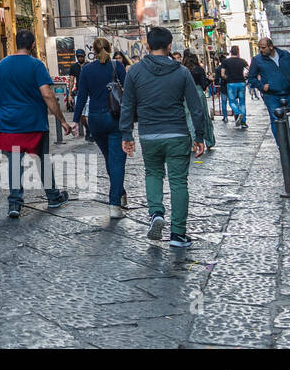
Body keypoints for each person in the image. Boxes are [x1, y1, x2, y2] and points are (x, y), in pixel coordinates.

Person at [119, 27, 208, 248]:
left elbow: (127, 105)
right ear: (169, 47)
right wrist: (200, 136)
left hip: (149, 134)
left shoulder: (135, 72)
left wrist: (126, 134)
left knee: (153, 173)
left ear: (147, 46)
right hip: (177, 133)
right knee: (178, 182)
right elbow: (196, 108)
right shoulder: (182, 72)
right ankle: (178, 234)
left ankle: (156, 213)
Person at [0, 29, 76, 219]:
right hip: (33, 123)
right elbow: (47, 94)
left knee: (14, 163)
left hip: (8, 123)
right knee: (42, 160)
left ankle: (15, 203)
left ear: (16, 44)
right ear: (32, 46)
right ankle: (53, 197)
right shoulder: (36, 65)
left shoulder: (3, 64)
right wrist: (62, 120)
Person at [73, 37, 128, 219]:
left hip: (95, 120)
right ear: (110, 49)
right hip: (115, 117)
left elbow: (81, 97)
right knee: (117, 160)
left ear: (93, 51)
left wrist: (75, 121)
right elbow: (128, 91)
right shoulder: (117, 66)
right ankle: (115, 203)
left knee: (109, 158)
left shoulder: (87, 70)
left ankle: (119, 192)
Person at [247, 36, 290, 150]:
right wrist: (262, 86)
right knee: (275, 120)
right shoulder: (257, 60)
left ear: (271, 46)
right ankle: (282, 147)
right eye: (259, 48)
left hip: (289, 93)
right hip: (271, 95)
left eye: (263, 48)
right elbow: (251, 78)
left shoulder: (285, 55)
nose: (261, 50)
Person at [183, 50, 216, 151]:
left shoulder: (182, 69)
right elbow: (203, 84)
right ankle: (209, 141)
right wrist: (209, 80)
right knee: (204, 116)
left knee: (189, 117)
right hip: (198, 92)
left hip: (185, 94)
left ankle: (193, 143)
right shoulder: (199, 69)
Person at [220, 45, 249, 128]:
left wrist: (228, 78)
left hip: (231, 83)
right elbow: (250, 69)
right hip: (241, 83)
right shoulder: (242, 61)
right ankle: (243, 122)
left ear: (230, 51)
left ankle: (237, 112)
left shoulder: (225, 62)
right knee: (242, 103)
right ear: (238, 52)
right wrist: (246, 77)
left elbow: (222, 74)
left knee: (232, 101)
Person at [69, 49, 88, 140]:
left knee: (91, 114)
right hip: (79, 91)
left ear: (84, 56)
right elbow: (71, 80)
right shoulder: (74, 66)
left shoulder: (88, 65)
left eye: (81, 56)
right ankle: (88, 129)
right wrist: (69, 94)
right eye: (78, 56)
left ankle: (91, 132)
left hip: (89, 92)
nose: (80, 58)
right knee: (80, 114)